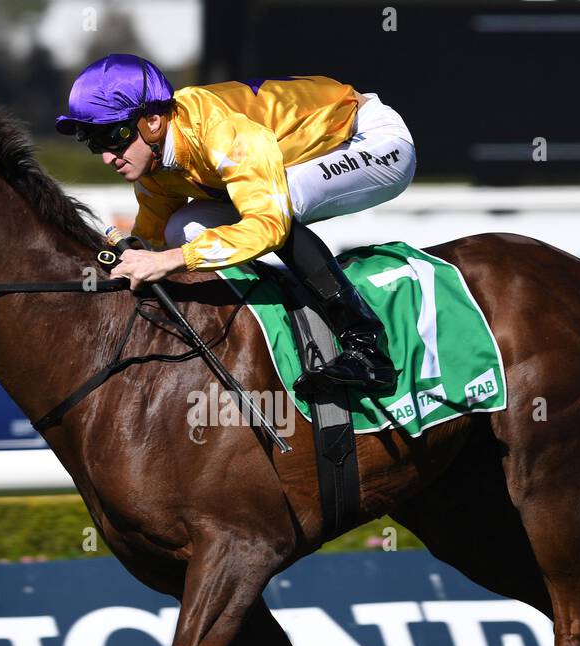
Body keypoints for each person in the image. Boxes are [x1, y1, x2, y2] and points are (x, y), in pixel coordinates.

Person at [55, 53, 417, 393]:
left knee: (281, 202)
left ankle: (367, 347)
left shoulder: (220, 131)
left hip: (371, 140)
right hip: (307, 153)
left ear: (153, 121)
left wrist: (170, 260)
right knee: (183, 229)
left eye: (114, 137)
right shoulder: (153, 165)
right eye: (94, 143)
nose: (108, 158)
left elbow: (268, 226)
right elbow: (150, 244)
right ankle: (267, 321)